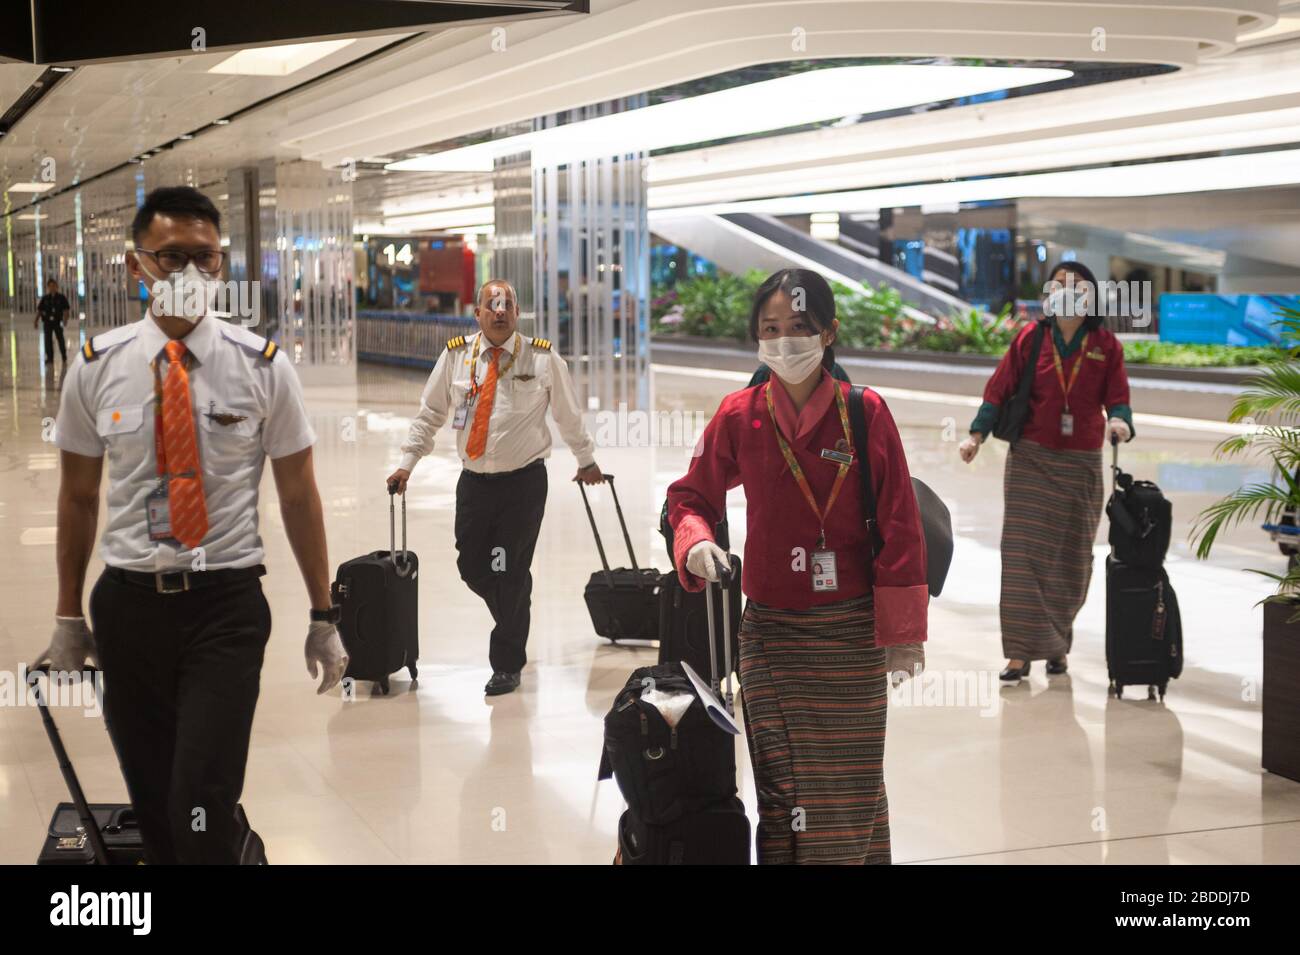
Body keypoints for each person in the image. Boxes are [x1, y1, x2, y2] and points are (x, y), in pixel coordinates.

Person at [36, 186, 348, 864]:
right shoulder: (96, 368)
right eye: (170, 256)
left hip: (225, 606)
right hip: (128, 608)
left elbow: (299, 494)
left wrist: (324, 613)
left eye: (203, 258)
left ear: (221, 265)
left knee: (200, 800)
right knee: (154, 807)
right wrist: (67, 616)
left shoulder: (264, 367)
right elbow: (77, 498)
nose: (187, 274)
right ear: (135, 267)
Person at [667, 267, 928, 865]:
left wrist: (904, 634)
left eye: (800, 328)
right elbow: (689, 496)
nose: (785, 342)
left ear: (829, 333)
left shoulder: (865, 412)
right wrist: (695, 541)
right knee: (782, 790)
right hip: (771, 634)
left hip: (851, 633)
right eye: (771, 329)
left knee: (851, 784)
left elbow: (900, 523)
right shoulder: (740, 414)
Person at [387, 279, 603, 697]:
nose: (499, 312)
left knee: (506, 568)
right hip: (474, 484)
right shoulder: (455, 357)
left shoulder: (541, 358)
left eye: (507, 306)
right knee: (472, 566)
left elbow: (568, 415)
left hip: (522, 485)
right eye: (492, 306)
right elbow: (430, 414)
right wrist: (406, 464)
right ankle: (515, 603)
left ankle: (506, 663)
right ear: (478, 314)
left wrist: (586, 460)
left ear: (517, 313)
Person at [958, 260, 1134, 684]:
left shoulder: (1106, 345)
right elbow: (998, 389)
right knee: (1022, 557)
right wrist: (976, 435)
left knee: (1070, 558)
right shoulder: (1031, 339)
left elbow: (1119, 396)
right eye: (1059, 285)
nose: (1068, 291)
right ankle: (1019, 654)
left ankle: (1057, 645)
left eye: (1077, 286)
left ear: (1091, 297)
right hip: (1031, 461)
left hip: (1081, 465)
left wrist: (1120, 421)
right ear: (1048, 295)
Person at [35, 277, 71, 364]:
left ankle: (64, 356)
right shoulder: (45, 298)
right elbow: (40, 310)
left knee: (60, 339)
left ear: (57, 287)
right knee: (48, 340)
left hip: (57, 322)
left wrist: (65, 320)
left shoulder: (61, 298)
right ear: (48, 287)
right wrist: (36, 321)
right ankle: (50, 358)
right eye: (50, 286)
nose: (52, 288)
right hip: (47, 322)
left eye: (54, 286)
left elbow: (66, 310)